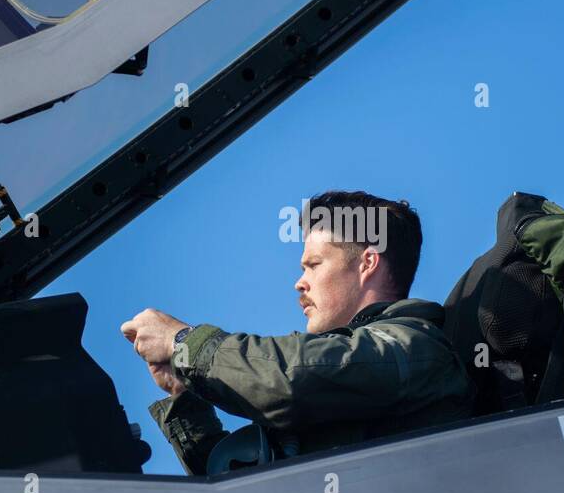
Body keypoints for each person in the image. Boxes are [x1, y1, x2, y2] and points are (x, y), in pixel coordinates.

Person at [120, 190, 475, 474]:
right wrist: (184, 398)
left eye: (314, 265)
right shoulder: (354, 381)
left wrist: (183, 343)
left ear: (367, 263)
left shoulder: (413, 347)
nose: (299, 282)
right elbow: (249, 490)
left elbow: (287, 379)